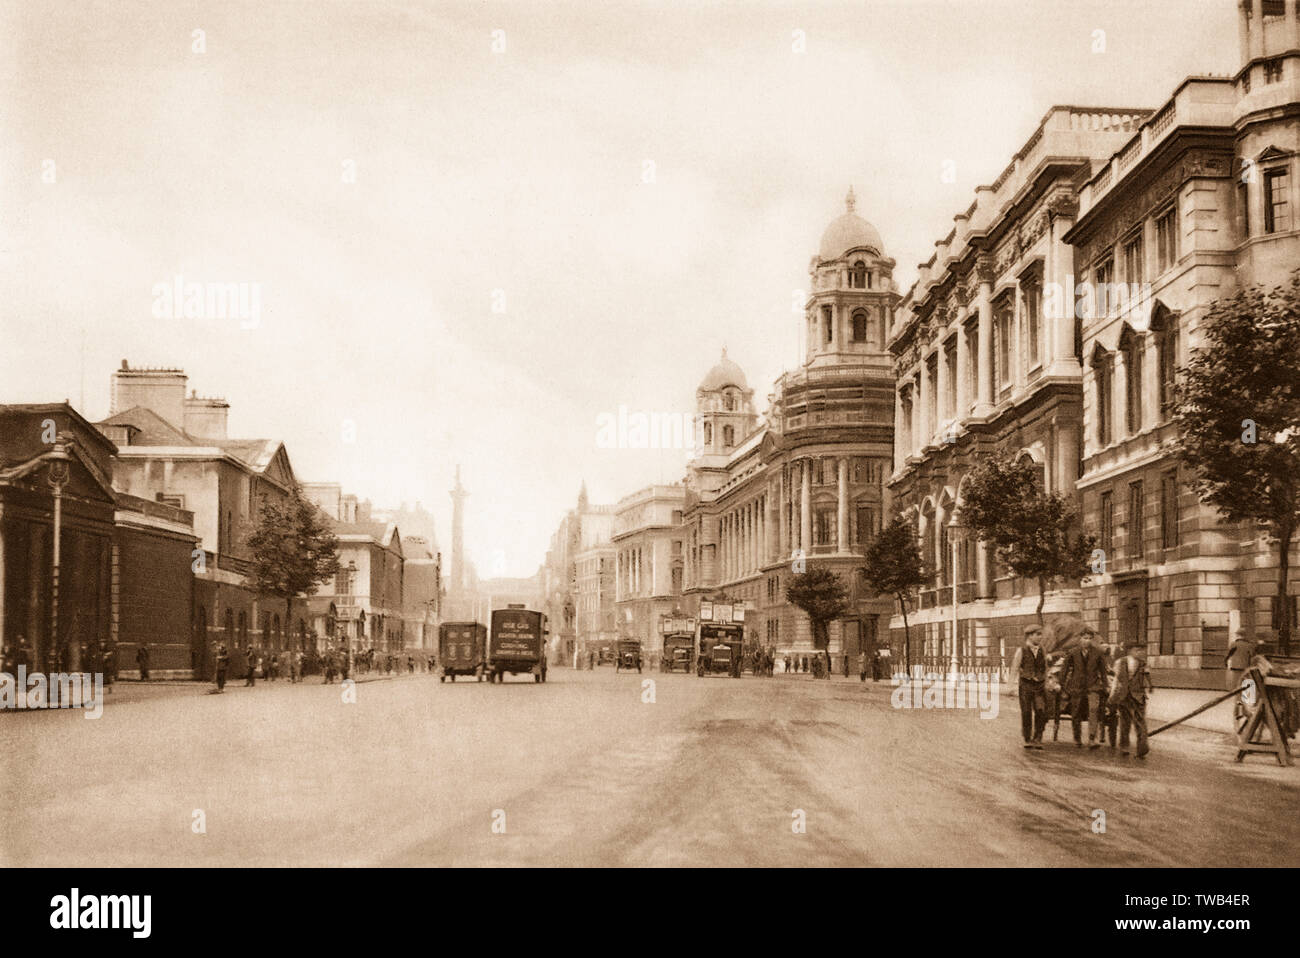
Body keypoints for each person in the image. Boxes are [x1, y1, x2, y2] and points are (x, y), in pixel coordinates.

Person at [1062, 627, 1107, 748]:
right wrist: (1061, 686)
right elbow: (1064, 670)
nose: (1087, 641)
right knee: (1076, 712)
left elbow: (1103, 672)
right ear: (1080, 639)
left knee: (1094, 710)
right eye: (1084, 638)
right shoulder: (1072, 652)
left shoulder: (1098, 653)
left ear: (1092, 640)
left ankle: (1092, 738)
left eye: (1089, 639)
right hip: (1076, 686)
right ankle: (1077, 738)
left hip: (1093, 686)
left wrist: (1105, 686)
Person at [1109, 642, 1152, 758]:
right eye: (1137, 650)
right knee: (1125, 722)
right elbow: (1116, 680)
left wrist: (1148, 688)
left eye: (1141, 650)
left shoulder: (1144, 664)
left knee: (1140, 722)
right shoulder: (1119, 662)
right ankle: (1124, 746)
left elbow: (1147, 679)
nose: (1140, 653)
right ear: (1130, 651)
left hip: (1138, 696)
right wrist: (1112, 695)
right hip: (1124, 695)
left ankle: (1142, 749)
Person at [1010, 624, 1048, 749]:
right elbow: (1015, 667)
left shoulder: (1042, 650)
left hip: (1039, 686)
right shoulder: (1022, 650)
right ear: (1030, 636)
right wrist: (1011, 686)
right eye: (1038, 634)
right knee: (1026, 712)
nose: (1040, 637)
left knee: (1040, 710)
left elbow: (1045, 668)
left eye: (1040, 634)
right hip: (1026, 685)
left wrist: (1046, 681)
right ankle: (1027, 738)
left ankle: (1038, 737)